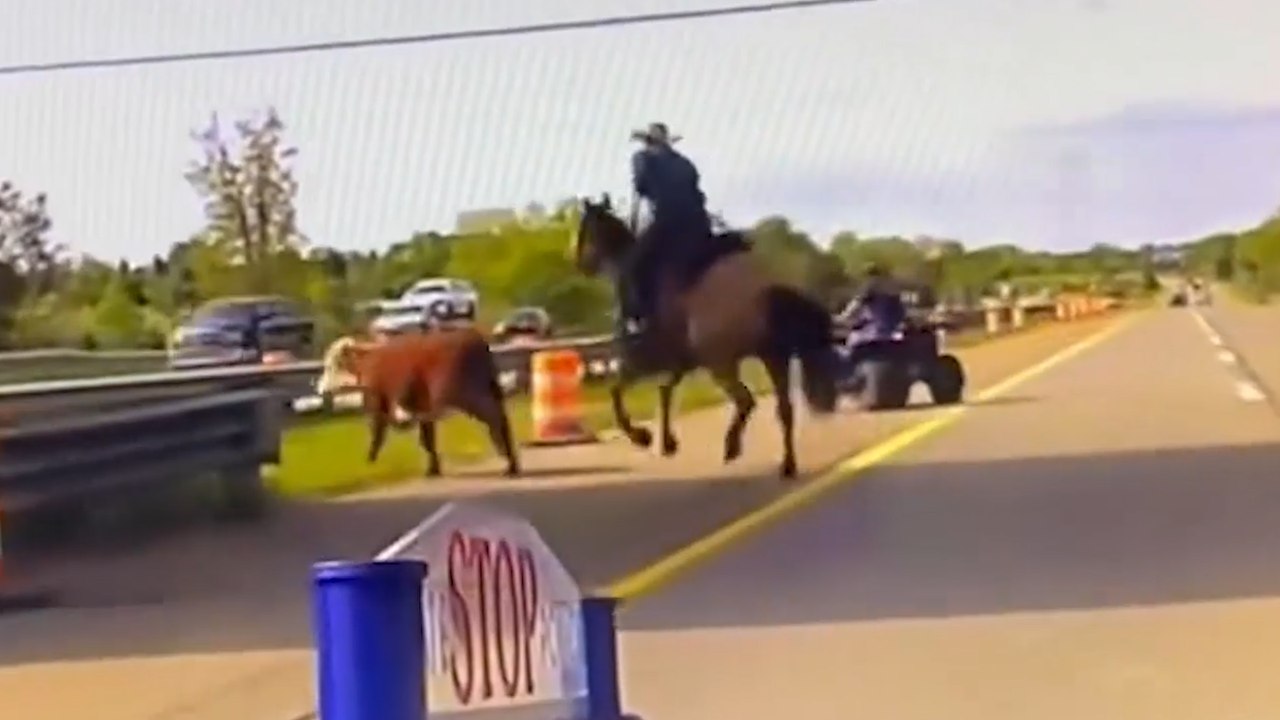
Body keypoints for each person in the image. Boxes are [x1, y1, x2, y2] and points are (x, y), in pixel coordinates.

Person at [619, 122, 713, 341]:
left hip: (669, 223)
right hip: (700, 223)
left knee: (633, 267)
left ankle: (639, 320)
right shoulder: (685, 163)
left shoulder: (644, 159)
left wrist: (643, 156)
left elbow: (641, 186)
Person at [836, 262, 907, 342]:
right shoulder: (891, 284)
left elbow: (857, 302)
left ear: (867, 275)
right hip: (895, 324)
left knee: (856, 338)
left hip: (880, 326)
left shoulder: (872, 284)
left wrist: (844, 315)